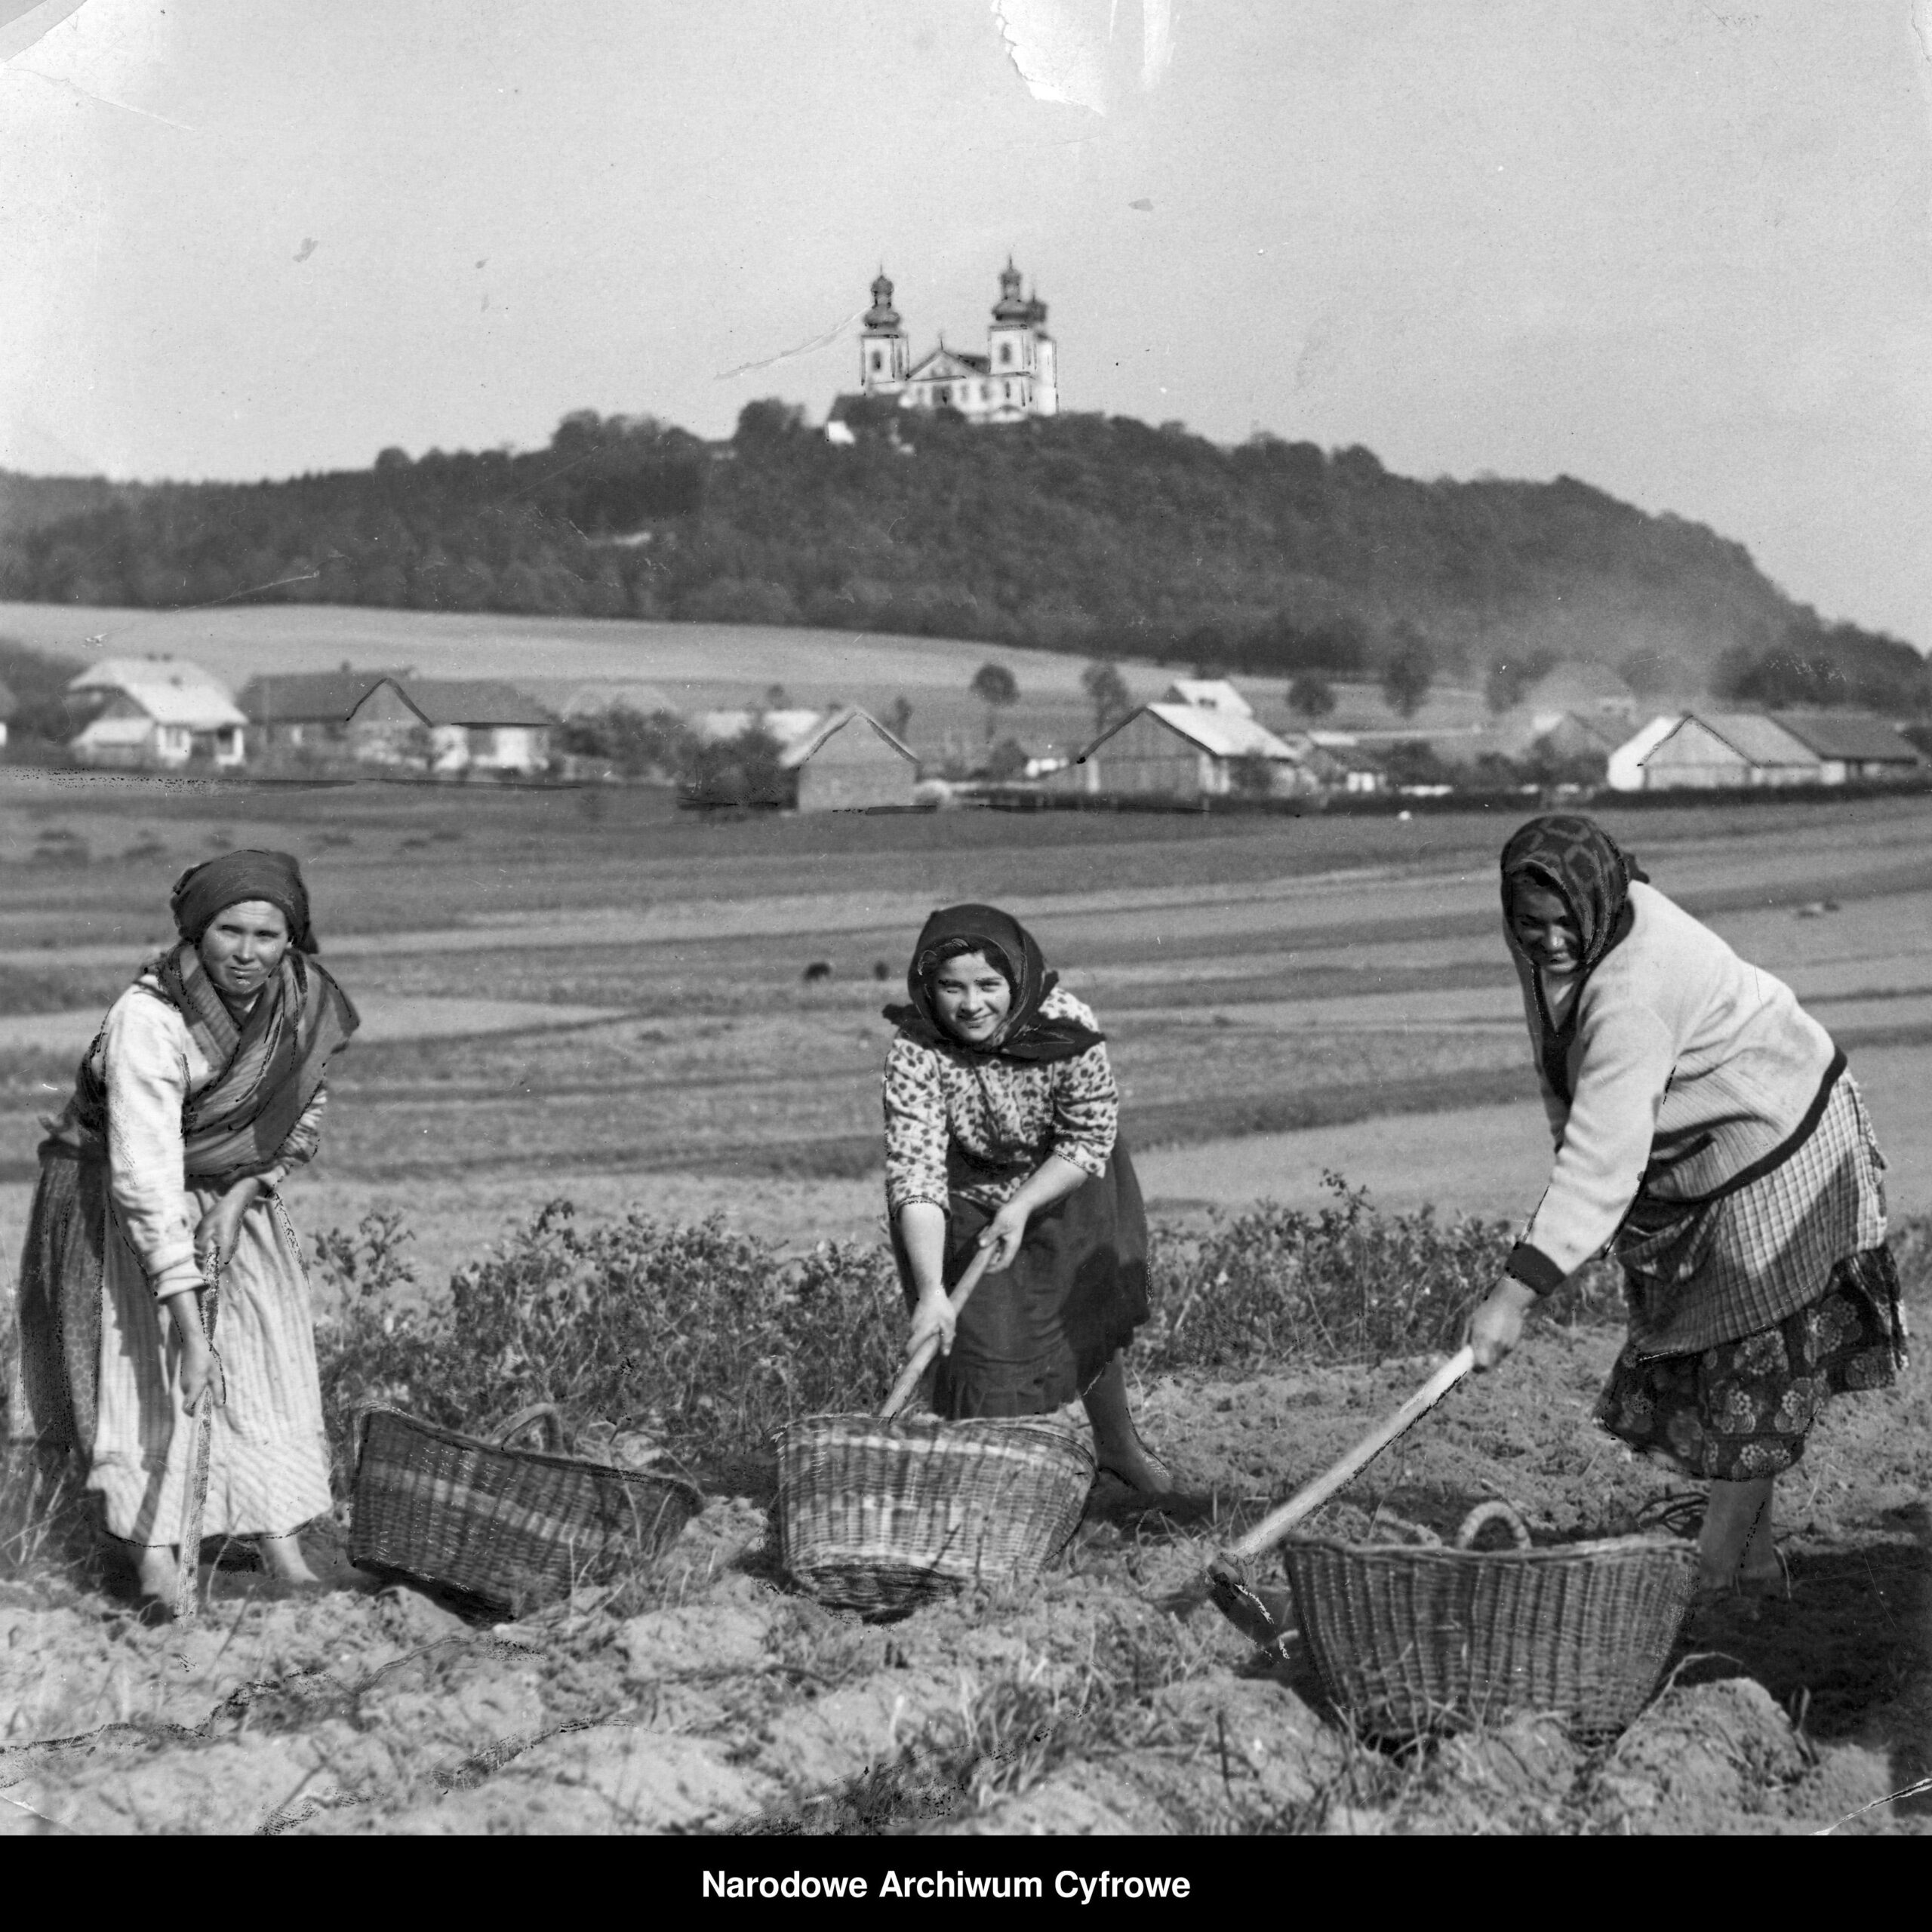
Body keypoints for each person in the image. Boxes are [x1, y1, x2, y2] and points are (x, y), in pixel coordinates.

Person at [1464, 815, 1907, 1599]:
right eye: (1531, 925)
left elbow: (1603, 1157)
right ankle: (1759, 1568)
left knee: (1750, 1370)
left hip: (1776, 1139)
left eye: (1568, 921)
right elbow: (1558, 1060)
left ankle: (1707, 1581)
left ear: (1599, 901)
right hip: (1698, 1151)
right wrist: (1574, 1156)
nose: (1552, 940)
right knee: (1732, 1375)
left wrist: (1514, 1293)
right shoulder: (1544, 937)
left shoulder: (1636, 991)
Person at [11, 850, 359, 1613]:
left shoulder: (296, 1002)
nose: (247, 952)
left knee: (261, 1354)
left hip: (232, 1193)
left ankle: (279, 1542)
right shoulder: (150, 1018)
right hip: (120, 1199)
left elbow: (305, 1111)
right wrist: (186, 1317)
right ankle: (156, 1563)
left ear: (292, 938)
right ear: (196, 932)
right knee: (146, 1367)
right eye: (228, 930)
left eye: (267, 935)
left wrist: (241, 1197)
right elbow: (145, 1175)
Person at [881, 903, 1168, 1491]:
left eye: (989, 985)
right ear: (926, 987)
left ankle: (1117, 1448)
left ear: (1017, 979)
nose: (971, 1004)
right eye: (950, 987)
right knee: (978, 1351)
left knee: (1085, 1320)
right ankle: (1000, 1490)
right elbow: (916, 1172)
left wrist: (1023, 1204)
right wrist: (933, 1291)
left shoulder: (1068, 1026)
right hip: (963, 1196)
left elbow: (1088, 1136)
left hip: (1066, 1182)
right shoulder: (915, 1050)